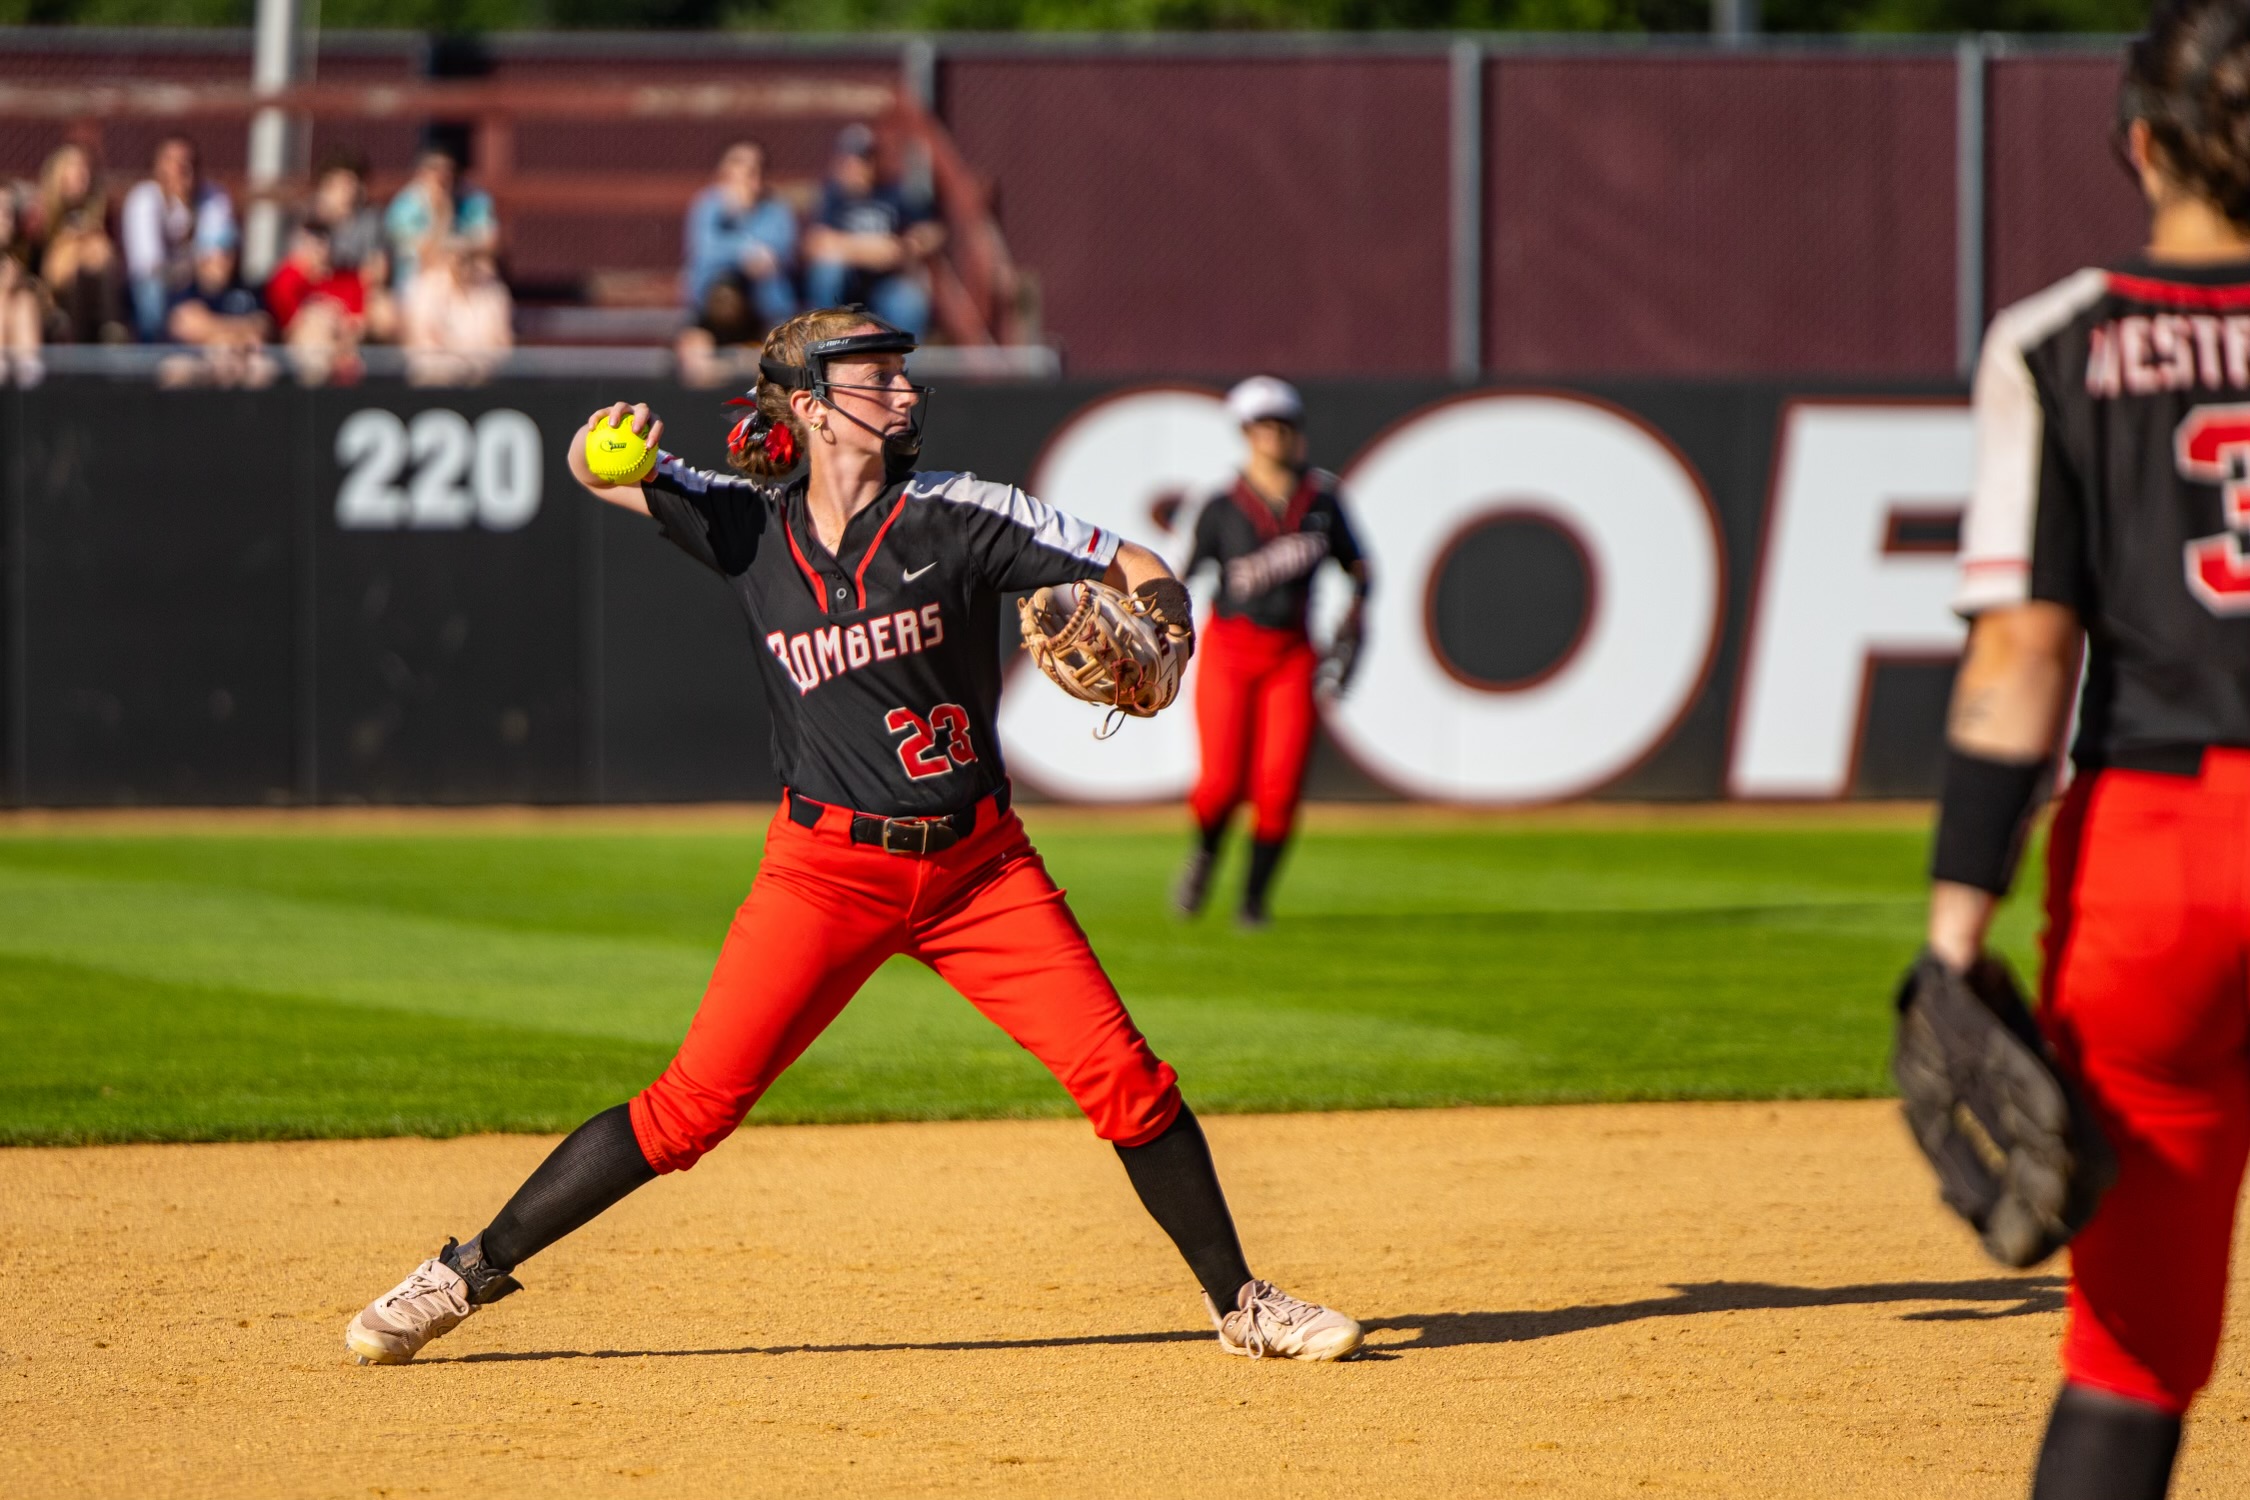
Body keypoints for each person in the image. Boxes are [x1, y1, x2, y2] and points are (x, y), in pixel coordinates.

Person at [341, 306, 1362, 1371]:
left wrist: (1170, 634)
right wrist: (607, 439)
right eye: (877, 378)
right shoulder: (745, 527)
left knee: (1128, 1079)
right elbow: (599, 471)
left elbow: (1138, 562)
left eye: (904, 374)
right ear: (815, 409)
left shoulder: (957, 516)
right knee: (687, 1112)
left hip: (980, 873)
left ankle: (1239, 1301)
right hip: (823, 873)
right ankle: (460, 1273)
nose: (906, 392)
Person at [1926, 3, 2250, 1494]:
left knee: (2126, 1367)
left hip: (2161, 860)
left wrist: (1953, 933)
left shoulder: (2058, 341)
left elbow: (2020, 658)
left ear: (2137, 139)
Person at [1175, 377, 1369, 928]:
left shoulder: (1323, 501)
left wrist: (1358, 615)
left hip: (1292, 651)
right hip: (1230, 647)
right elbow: (1181, 577)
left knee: (1279, 786)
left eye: (1287, 426)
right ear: (1247, 434)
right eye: (1267, 427)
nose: (1279, 437)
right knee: (1218, 785)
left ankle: (1254, 901)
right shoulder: (1220, 506)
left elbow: (1359, 568)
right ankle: (1206, 854)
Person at [801, 124, 943, 338]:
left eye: (866, 158)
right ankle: (825, 343)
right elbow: (816, 244)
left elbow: (930, 232)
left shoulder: (892, 193)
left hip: (885, 282)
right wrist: (872, 250)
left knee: (910, 300)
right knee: (828, 271)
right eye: (855, 159)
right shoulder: (833, 196)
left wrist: (905, 247)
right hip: (846, 282)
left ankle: (906, 366)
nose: (860, 166)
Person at [119, 134, 233, 342]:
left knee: (220, 286)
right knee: (150, 290)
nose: (181, 169)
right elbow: (149, 267)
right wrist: (197, 263)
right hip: (159, 293)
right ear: (158, 168)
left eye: (187, 163)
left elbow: (218, 265)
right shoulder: (143, 199)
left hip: (199, 291)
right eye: (172, 162)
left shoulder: (213, 196)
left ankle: (205, 330)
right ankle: (153, 346)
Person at [683, 140, 798, 335]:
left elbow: (777, 256)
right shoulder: (708, 206)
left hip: (763, 309)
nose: (747, 175)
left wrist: (742, 219)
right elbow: (705, 250)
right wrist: (745, 249)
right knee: (693, 347)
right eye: (739, 165)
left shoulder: (776, 210)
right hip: (710, 309)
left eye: (754, 169)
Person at [27, 142, 125, 346]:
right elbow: (51, 272)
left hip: (93, 293)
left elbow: (109, 258)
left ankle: (109, 332)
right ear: (58, 173)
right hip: (51, 300)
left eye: (86, 168)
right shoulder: (40, 217)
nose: (83, 174)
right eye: (75, 167)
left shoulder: (104, 215)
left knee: (94, 257)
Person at [160, 221, 273, 388]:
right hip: (196, 358)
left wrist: (214, 329)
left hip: (239, 357)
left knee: (262, 368)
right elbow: (186, 328)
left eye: (227, 253)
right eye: (213, 253)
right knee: (176, 369)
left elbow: (262, 327)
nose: (220, 260)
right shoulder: (184, 291)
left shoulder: (245, 289)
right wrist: (236, 331)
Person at [399, 239, 512, 387]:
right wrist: (454, 367)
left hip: (482, 382)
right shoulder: (424, 289)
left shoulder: (493, 294)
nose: (470, 266)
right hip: (434, 384)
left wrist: (475, 367)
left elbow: (501, 345)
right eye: (463, 258)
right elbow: (417, 346)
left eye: (473, 258)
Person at [264, 223, 365, 386]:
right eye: (307, 243)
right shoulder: (289, 278)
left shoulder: (346, 279)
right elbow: (289, 322)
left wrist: (333, 323)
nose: (314, 250)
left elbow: (357, 325)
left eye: (320, 242)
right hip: (304, 357)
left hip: (342, 353)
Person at [383, 147, 496, 291]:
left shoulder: (472, 198)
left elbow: (490, 244)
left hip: (467, 278)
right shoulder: (404, 208)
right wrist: (441, 212)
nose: (442, 176)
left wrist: (459, 252)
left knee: (486, 273)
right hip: (419, 282)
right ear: (420, 173)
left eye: (449, 170)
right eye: (435, 169)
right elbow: (426, 256)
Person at [0, 186, 48, 385]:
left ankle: (27, 369)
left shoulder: (19, 258)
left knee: (24, 300)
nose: (3, 220)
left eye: (7, 213)